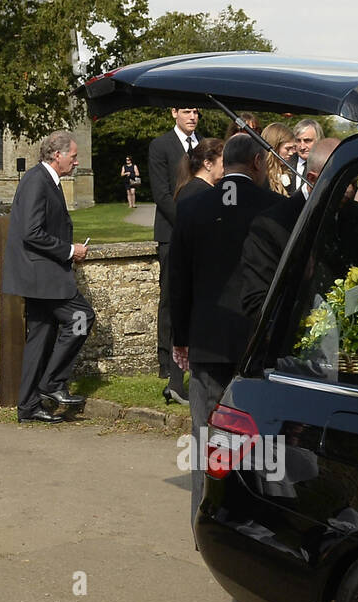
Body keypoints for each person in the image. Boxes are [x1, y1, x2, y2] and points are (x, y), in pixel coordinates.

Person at [168, 134, 285, 530]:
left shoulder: (193, 206)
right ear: (257, 161)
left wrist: (180, 337)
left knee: (207, 438)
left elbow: (177, 280)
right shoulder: (277, 208)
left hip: (208, 339)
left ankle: (204, 525)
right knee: (262, 441)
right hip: (260, 343)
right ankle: (256, 527)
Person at [241, 138, 358, 327]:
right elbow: (257, 301)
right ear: (312, 178)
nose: (350, 190)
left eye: (353, 181)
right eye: (341, 182)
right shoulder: (274, 225)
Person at [1, 130, 93, 425]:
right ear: (58, 155)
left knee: (39, 339)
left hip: (40, 274)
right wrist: (70, 250)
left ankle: (28, 406)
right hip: (42, 275)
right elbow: (31, 232)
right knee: (82, 317)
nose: (77, 162)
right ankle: (52, 383)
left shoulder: (44, 180)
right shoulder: (37, 181)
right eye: (74, 156)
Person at [148, 107, 201, 405]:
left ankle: (190, 365)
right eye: (186, 112)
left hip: (197, 235)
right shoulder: (161, 146)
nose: (192, 116)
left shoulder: (204, 145)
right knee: (170, 299)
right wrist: (187, 223)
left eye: (195, 112)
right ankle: (165, 362)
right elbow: (161, 194)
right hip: (171, 234)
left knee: (194, 300)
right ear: (173, 114)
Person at [261, 123, 299, 197]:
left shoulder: (289, 172)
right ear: (274, 147)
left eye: (293, 148)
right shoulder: (261, 176)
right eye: (288, 149)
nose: (291, 153)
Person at [291, 119, 324, 195]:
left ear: (318, 140)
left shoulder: (326, 165)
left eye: (307, 141)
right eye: (298, 141)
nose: (302, 147)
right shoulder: (285, 163)